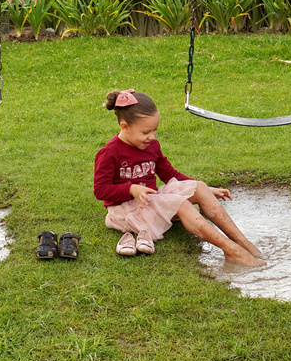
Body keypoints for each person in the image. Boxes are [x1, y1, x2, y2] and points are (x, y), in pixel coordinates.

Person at [94, 89, 265, 266]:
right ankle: (232, 251)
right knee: (181, 204)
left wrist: (206, 190)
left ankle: (243, 243)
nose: (152, 137)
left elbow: (170, 174)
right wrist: (131, 189)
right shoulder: (109, 153)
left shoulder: (151, 146)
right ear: (125, 127)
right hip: (125, 211)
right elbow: (100, 190)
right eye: (146, 132)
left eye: (155, 130)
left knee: (199, 186)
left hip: (151, 201)